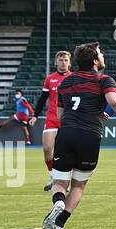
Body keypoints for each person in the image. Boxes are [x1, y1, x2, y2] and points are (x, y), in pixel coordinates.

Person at [41, 43, 116, 229]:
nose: (102, 56)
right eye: (100, 54)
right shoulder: (104, 80)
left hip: (66, 133)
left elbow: (60, 113)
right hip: (89, 136)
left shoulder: (66, 82)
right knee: (79, 185)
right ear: (95, 61)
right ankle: (58, 225)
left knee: (59, 181)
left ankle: (58, 201)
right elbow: (114, 102)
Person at [34, 50, 71, 191]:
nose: (63, 62)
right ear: (56, 62)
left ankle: (63, 179)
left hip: (68, 119)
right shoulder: (50, 79)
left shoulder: (73, 78)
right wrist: (35, 115)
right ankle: (53, 176)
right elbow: (42, 99)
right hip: (52, 119)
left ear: (69, 62)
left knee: (66, 151)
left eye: (66, 60)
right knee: (47, 148)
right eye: (61, 60)